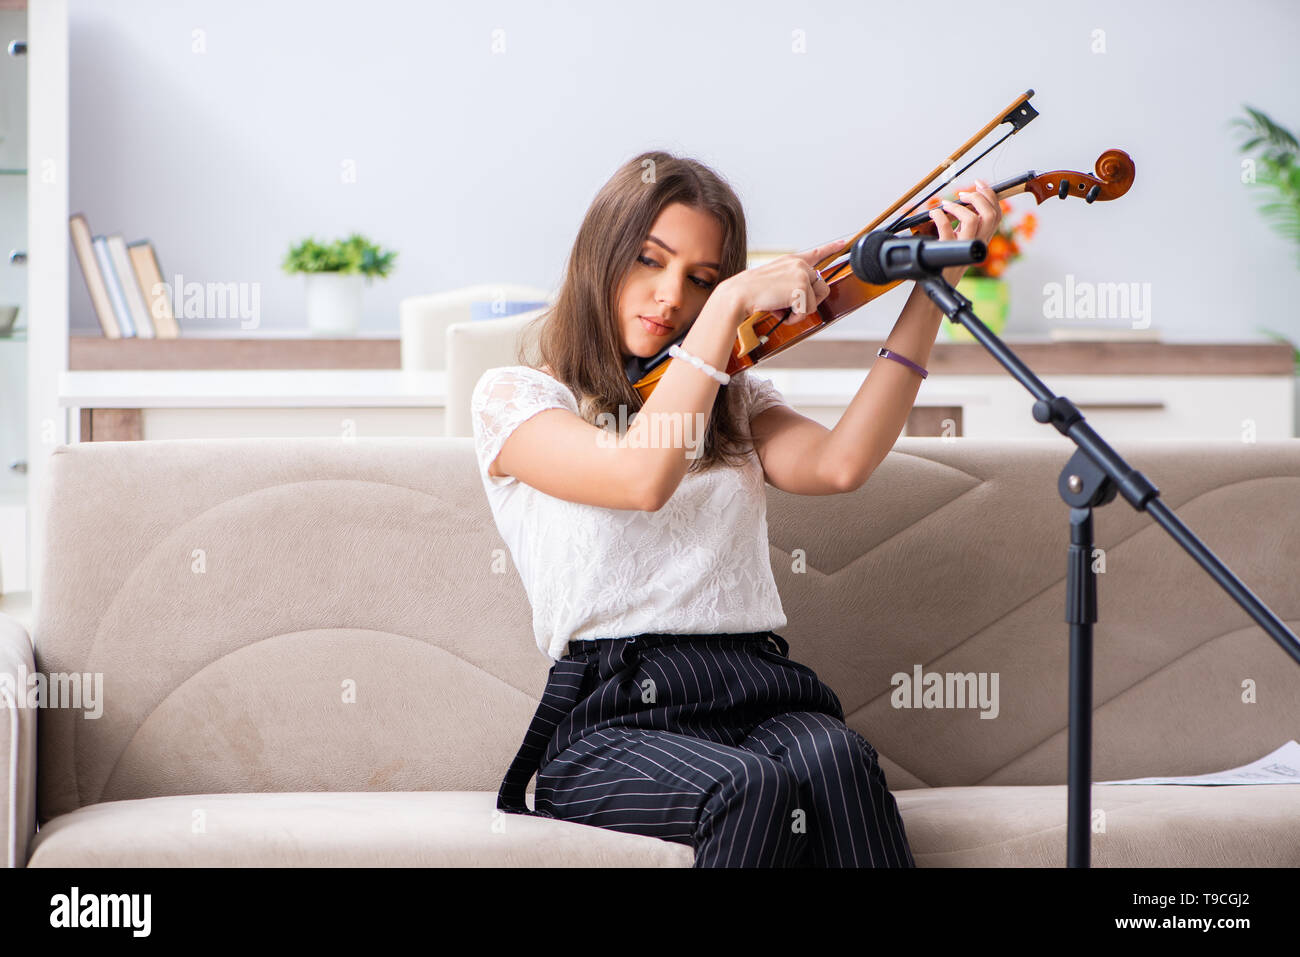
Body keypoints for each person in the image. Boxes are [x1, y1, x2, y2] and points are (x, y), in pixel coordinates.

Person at [471, 150, 1001, 867]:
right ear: (599, 256)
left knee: (841, 763)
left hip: (753, 685)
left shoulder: (733, 400)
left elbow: (840, 463)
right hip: (612, 716)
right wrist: (726, 307)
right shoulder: (519, 399)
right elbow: (641, 478)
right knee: (750, 787)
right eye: (649, 262)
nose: (670, 297)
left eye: (700, 280)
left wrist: (931, 292)